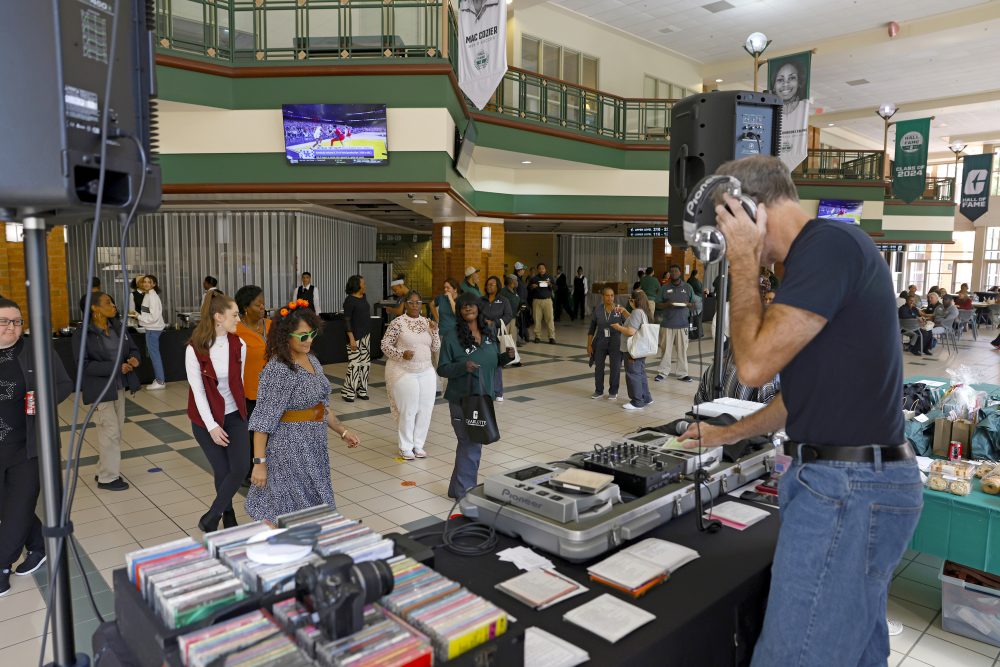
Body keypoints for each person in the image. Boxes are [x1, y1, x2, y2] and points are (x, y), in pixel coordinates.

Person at [677, 155, 920, 667]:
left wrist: (744, 264)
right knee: (856, 652)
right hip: (857, 483)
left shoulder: (827, 246)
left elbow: (753, 365)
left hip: (848, 489)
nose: (727, 245)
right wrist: (729, 434)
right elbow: (804, 394)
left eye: (726, 226)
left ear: (750, 210)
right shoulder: (819, 259)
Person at [246, 301, 360, 523]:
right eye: (302, 336)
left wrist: (343, 431)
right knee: (285, 508)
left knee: (314, 503)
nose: (309, 340)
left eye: (312, 333)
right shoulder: (278, 369)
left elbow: (321, 408)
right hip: (288, 449)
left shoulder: (313, 360)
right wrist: (259, 463)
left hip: (314, 446)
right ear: (285, 336)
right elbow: (262, 421)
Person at [0, 299, 72, 596]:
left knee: (16, 509)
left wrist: (41, 397)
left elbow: (64, 384)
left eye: (17, 322)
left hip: (27, 446)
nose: (12, 328)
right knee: (10, 505)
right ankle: (39, 546)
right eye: (5, 321)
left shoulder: (36, 351)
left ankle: (2, 565)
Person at [437, 293, 514, 498]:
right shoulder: (452, 336)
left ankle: (456, 489)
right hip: (462, 399)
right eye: (463, 307)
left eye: (471, 305)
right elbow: (442, 368)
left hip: (482, 399)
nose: (468, 309)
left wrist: (505, 358)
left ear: (478, 308)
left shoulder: (487, 333)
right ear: (459, 312)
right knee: (471, 444)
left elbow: (492, 362)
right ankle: (465, 492)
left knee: (470, 444)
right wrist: (463, 367)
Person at [186, 292, 249, 533]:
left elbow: (238, 383)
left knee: (240, 467)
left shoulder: (238, 345)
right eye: (235, 315)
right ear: (218, 317)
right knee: (222, 470)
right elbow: (198, 392)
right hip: (205, 420)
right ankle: (228, 513)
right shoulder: (195, 350)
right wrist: (212, 426)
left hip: (234, 415)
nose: (238, 319)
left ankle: (212, 515)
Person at [73, 292, 141, 491]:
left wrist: (134, 360)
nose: (113, 306)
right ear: (94, 308)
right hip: (100, 389)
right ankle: (108, 478)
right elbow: (83, 366)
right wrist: (115, 367)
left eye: (112, 302)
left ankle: (103, 468)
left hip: (119, 386)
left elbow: (133, 349)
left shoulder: (118, 327)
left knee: (116, 431)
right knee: (110, 432)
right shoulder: (82, 333)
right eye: (107, 303)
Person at [381, 292, 441, 460]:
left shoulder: (426, 322)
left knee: (426, 409)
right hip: (404, 370)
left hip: (426, 370)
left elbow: (435, 347)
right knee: (409, 409)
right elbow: (385, 345)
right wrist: (401, 354)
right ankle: (405, 446)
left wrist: (435, 331)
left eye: (418, 302)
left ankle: (418, 445)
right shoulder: (397, 323)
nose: (415, 305)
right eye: (411, 302)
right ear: (405, 304)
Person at [235, 285, 271, 485]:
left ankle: (269, 466)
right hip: (248, 391)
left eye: (263, 303)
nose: (262, 307)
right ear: (245, 307)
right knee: (250, 434)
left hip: (273, 390)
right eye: (258, 304)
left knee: (272, 432)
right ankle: (249, 471)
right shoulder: (236, 331)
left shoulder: (271, 325)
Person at [694, 342, 780, 405]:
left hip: (708, 425)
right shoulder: (761, 375)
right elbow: (769, 410)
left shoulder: (712, 368)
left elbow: (698, 401)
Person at [613, 290, 653, 411]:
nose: (629, 302)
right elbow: (633, 321)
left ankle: (637, 401)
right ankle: (646, 398)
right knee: (640, 373)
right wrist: (624, 312)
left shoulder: (636, 312)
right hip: (641, 349)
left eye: (630, 300)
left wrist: (619, 327)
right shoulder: (642, 312)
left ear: (635, 301)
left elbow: (631, 331)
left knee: (633, 374)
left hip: (633, 350)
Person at [654, 264, 694, 383]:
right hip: (667, 324)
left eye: (676, 271)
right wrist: (667, 304)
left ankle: (682, 373)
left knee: (682, 350)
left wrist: (690, 304)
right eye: (671, 271)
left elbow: (694, 303)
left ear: (680, 273)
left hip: (682, 324)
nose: (674, 273)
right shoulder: (664, 288)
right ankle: (663, 372)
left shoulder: (687, 287)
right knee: (665, 349)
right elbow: (657, 304)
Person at [587, 287, 625, 400]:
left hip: (616, 341)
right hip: (601, 340)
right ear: (602, 297)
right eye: (607, 295)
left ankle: (613, 391)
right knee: (599, 366)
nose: (610, 298)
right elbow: (591, 329)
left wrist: (624, 312)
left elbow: (629, 322)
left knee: (615, 367)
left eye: (612, 295)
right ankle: (599, 390)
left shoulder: (619, 309)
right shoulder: (598, 309)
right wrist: (589, 345)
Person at [480, 276, 513, 401]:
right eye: (488, 284)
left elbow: (508, 315)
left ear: (498, 286)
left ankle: (498, 392)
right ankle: (484, 390)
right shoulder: (481, 300)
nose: (490, 286)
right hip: (482, 334)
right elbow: (476, 313)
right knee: (482, 362)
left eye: (492, 284)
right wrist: (484, 322)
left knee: (496, 362)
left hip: (497, 335)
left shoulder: (503, 300)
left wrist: (495, 323)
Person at [342, 275, 372, 402]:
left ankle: (362, 390)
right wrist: (351, 338)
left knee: (365, 364)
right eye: (363, 283)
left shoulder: (363, 297)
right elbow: (346, 320)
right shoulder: (349, 300)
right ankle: (348, 392)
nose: (365, 285)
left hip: (366, 336)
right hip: (354, 337)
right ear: (356, 285)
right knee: (354, 365)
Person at [136, 274, 166, 390]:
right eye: (145, 282)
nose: (146, 284)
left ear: (154, 284)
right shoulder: (149, 295)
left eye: (149, 282)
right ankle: (160, 379)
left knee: (155, 355)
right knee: (154, 354)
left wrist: (138, 316)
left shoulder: (152, 297)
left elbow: (153, 317)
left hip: (153, 329)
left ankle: (160, 381)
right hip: (152, 328)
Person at [772, 60, 809, 156]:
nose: (785, 84)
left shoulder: (802, 109)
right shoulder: (771, 114)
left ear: (799, 82)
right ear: (774, 86)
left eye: (792, 78)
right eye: (780, 80)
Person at [529, 263, 556, 344]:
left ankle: (551, 337)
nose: (541, 270)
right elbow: (529, 288)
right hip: (537, 301)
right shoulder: (534, 278)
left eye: (543, 268)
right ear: (538, 270)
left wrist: (550, 284)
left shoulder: (549, 277)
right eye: (540, 268)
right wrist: (532, 287)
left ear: (545, 269)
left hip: (547, 301)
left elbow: (556, 287)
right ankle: (537, 337)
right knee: (537, 319)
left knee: (550, 319)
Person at [501, 275, 525, 365]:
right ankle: (503, 360)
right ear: (511, 281)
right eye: (516, 280)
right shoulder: (503, 292)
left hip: (514, 318)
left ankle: (514, 359)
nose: (517, 282)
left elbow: (517, 301)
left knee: (513, 339)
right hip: (506, 319)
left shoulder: (514, 291)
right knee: (504, 339)